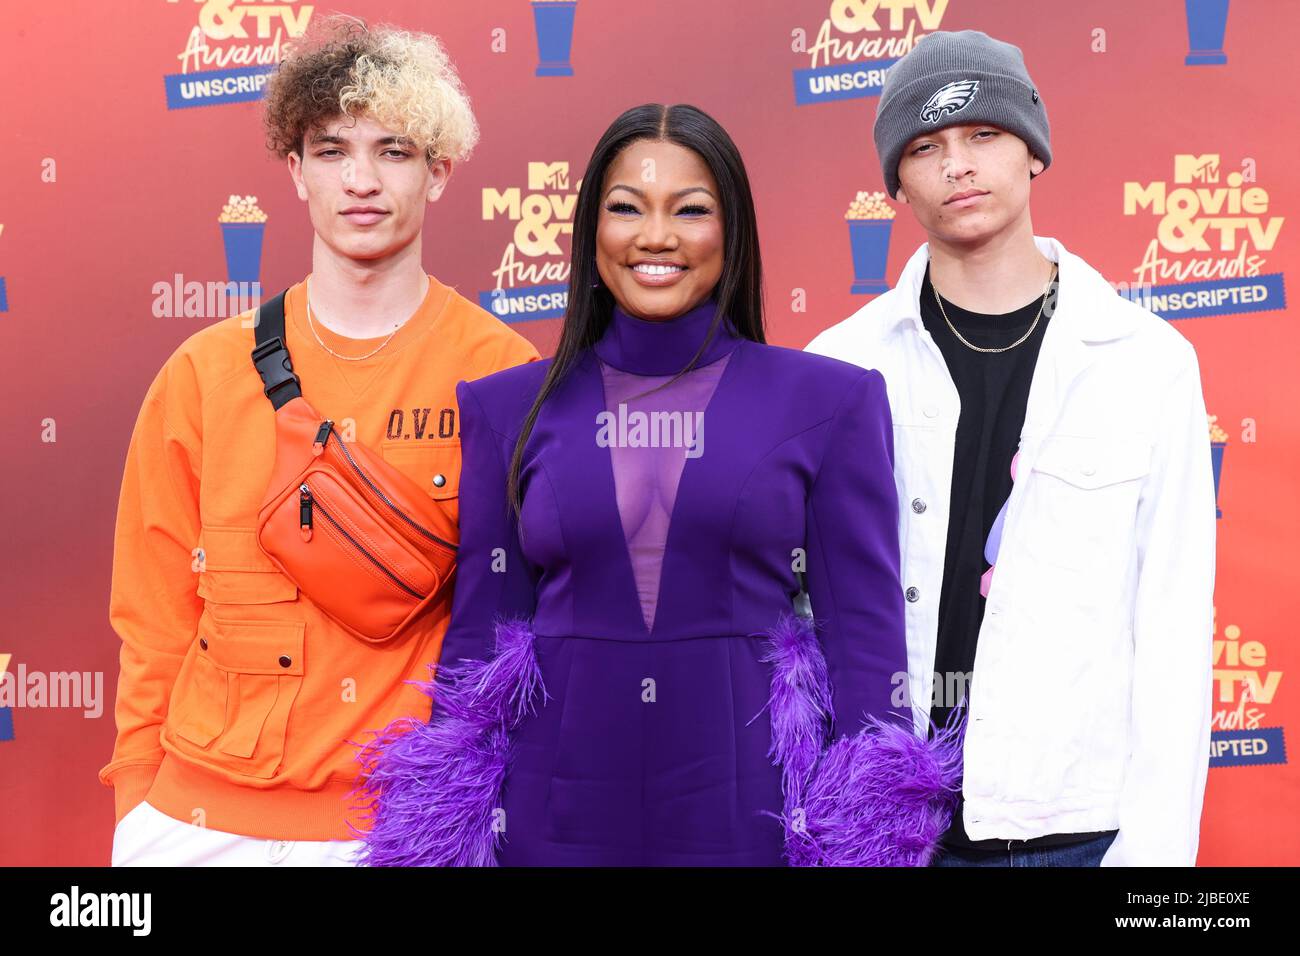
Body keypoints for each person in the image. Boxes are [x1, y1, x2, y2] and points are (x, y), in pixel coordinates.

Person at [100, 16, 539, 866]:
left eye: (395, 150)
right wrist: (136, 808)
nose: (362, 180)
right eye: (332, 151)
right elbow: (151, 620)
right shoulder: (202, 374)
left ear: (440, 171)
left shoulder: (502, 373)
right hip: (192, 824)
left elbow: (523, 623)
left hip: (395, 827)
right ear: (295, 172)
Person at [806, 30, 1215, 866]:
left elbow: (1172, 626)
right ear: (896, 185)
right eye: (926, 147)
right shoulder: (839, 365)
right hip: (888, 826)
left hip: (1072, 828)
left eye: (983, 135)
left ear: (1032, 151)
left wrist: (1155, 864)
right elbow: (799, 614)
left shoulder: (1146, 362)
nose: (958, 165)